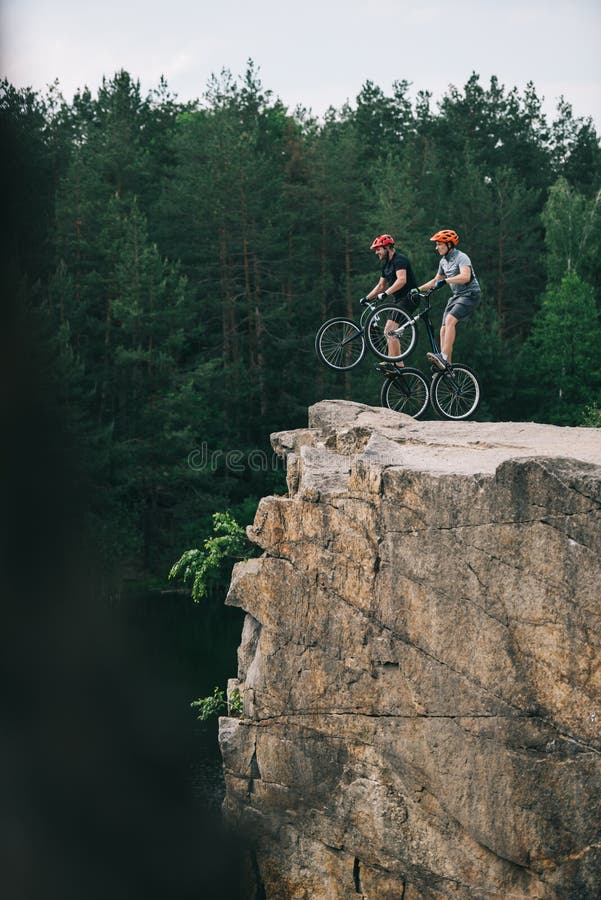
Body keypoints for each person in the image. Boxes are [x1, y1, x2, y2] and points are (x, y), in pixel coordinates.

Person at [418, 229, 481, 370]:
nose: (437, 247)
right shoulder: (443, 262)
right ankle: (446, 366)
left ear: (449, 244)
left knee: (450, 320)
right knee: (443, 328)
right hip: (457, 296)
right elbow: (436, 280)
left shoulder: (461, 257)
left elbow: (465, 277)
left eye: (439, 244)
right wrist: (418, 289)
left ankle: (444, 356)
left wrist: (446, 281)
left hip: (470, 294)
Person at [359, 233, 418, 370]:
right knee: (392, 331)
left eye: (378, 249)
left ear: (387, 247)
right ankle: (399, 364)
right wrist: (367, 298)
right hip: (399, 301)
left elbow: (402, 280)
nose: (376, 252)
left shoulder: (400, 260)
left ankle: (392, 363)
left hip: (409, 298)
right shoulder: (386, 266)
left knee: (389, 329)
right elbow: (381, 286)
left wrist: (386, 293)